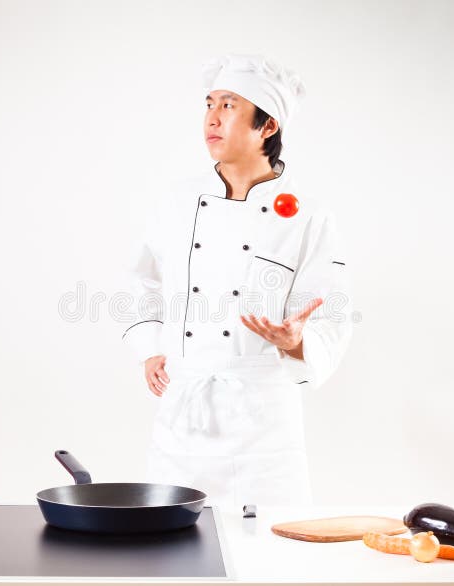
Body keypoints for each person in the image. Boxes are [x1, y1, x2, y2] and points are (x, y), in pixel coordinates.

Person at [121, 54, 353, 509]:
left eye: (229, 105)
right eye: (209, 104)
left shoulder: (307, 214)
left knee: (274, 557)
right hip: (184, 413)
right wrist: (150, 346)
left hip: (264, 424)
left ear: (267, 128)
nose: (212, 117)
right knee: (174, 552)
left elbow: (331, 311)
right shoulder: (177, 202)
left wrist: (296, 342)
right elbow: (140, 279)